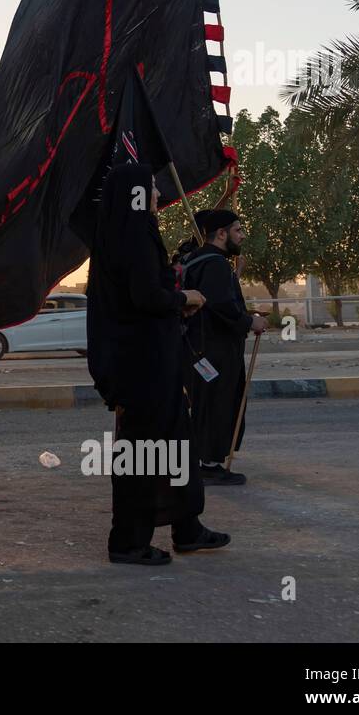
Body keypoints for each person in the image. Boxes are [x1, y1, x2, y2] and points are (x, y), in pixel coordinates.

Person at [85, 163, 231, 565]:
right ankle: (128, 542)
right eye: (149, 187)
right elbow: (147, 296)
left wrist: (174, 308)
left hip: (156, 363)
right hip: (142, 368)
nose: (155, 194)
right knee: (143, 453)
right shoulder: (133, 236)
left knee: (178, 447)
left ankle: (187, 527)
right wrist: (186, 299)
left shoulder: (127, 232)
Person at [182, 209, 266, 486]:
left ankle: (203, 460)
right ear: (221, 233)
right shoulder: (215, 264)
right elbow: (220, 306)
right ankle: (210, 465)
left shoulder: (198, 260)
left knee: (206, 403)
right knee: (216, 404)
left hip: (198, 349)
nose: (242, 236)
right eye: (238, 230)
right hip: (212, 350)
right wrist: (249, 322)